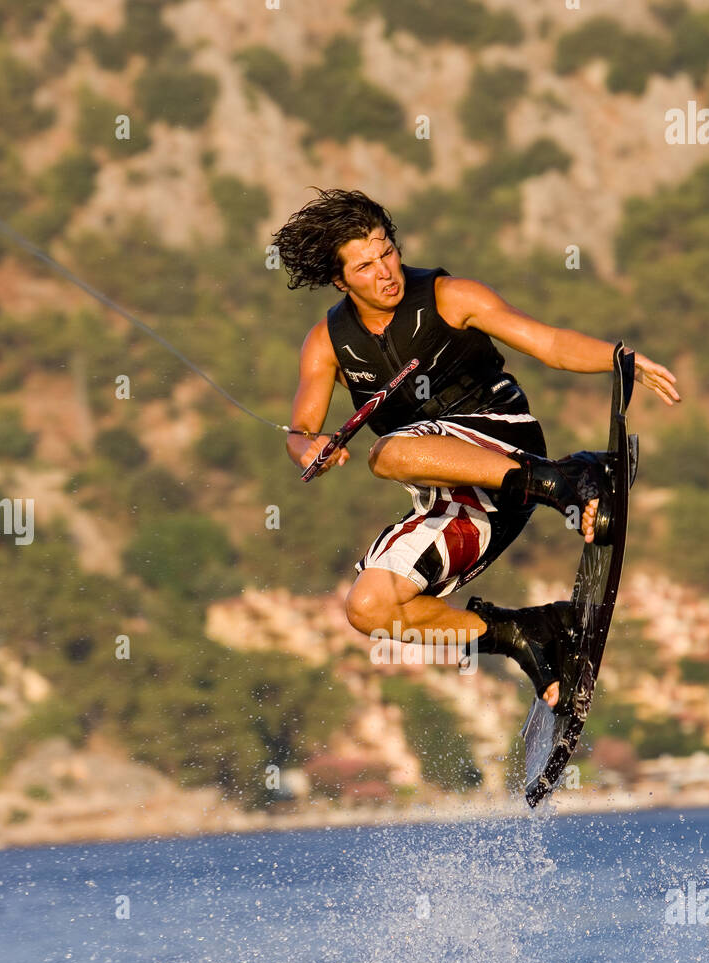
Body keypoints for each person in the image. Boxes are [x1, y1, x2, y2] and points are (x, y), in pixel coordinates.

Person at [275, 189, 679, 707]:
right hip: (460, 494)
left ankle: (564, 480)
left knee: (386, 454)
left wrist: (621, 359)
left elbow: (547, 343)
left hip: (504, 438)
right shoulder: (327, 341)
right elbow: (300, 429)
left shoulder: (449, 295)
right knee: (369, 607)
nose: (385, 272)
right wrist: (307, 449)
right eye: (365, 266)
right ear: (339, 279)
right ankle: (524, 632)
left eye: (387, 252)